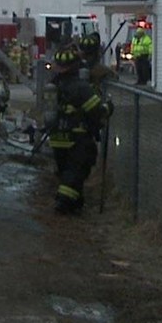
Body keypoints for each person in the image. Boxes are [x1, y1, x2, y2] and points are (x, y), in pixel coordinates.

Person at [47, 46, 111, 214]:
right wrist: (108, 108)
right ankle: (63, 204)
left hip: (56, 136)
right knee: (77, 170)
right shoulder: (80, 87)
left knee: (65, 170)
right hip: (77, 137)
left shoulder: (53, 85)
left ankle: (76, 203)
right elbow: (96, 111)